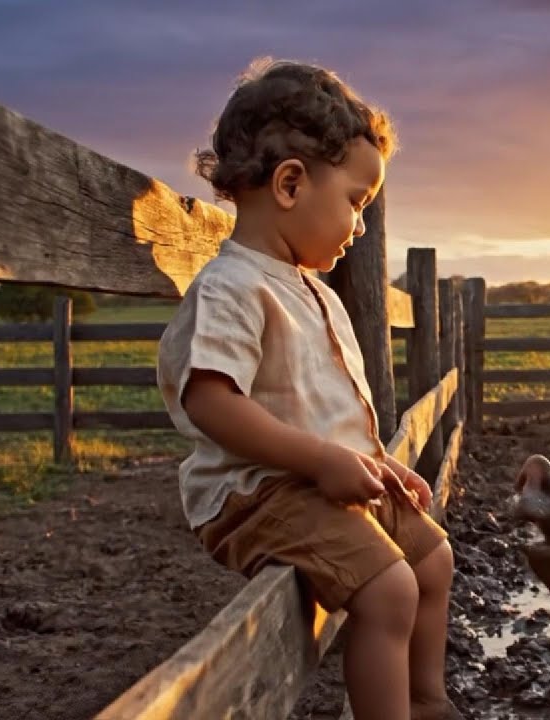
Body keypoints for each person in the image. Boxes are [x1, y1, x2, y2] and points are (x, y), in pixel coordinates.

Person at [155, 58, 463, 720]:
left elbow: (325, 410)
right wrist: (323, 460)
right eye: (356, 203)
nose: (359, 227)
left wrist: (372, 463)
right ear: (291, 183)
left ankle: (427, 699)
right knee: (390, 591)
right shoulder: (233, 287)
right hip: (256, 492)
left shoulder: (313, 292)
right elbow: (209, 401)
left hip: (314, 483)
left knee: (433, 559)